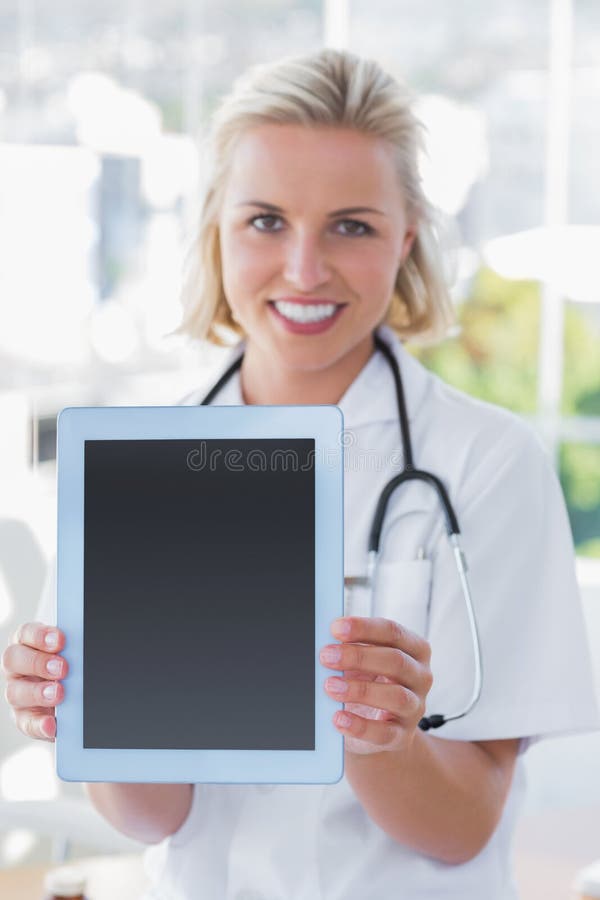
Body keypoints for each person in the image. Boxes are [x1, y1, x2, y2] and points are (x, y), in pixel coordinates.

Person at [2, 48, 598, 900]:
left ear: (406, 238)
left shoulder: (487, 465)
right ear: (217, 228)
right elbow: (150, 815)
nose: (305, 269)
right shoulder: (136, 465)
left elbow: (464, 825)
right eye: (266, 221)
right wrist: (86, 711)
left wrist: (378, 737)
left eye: (351, 226)